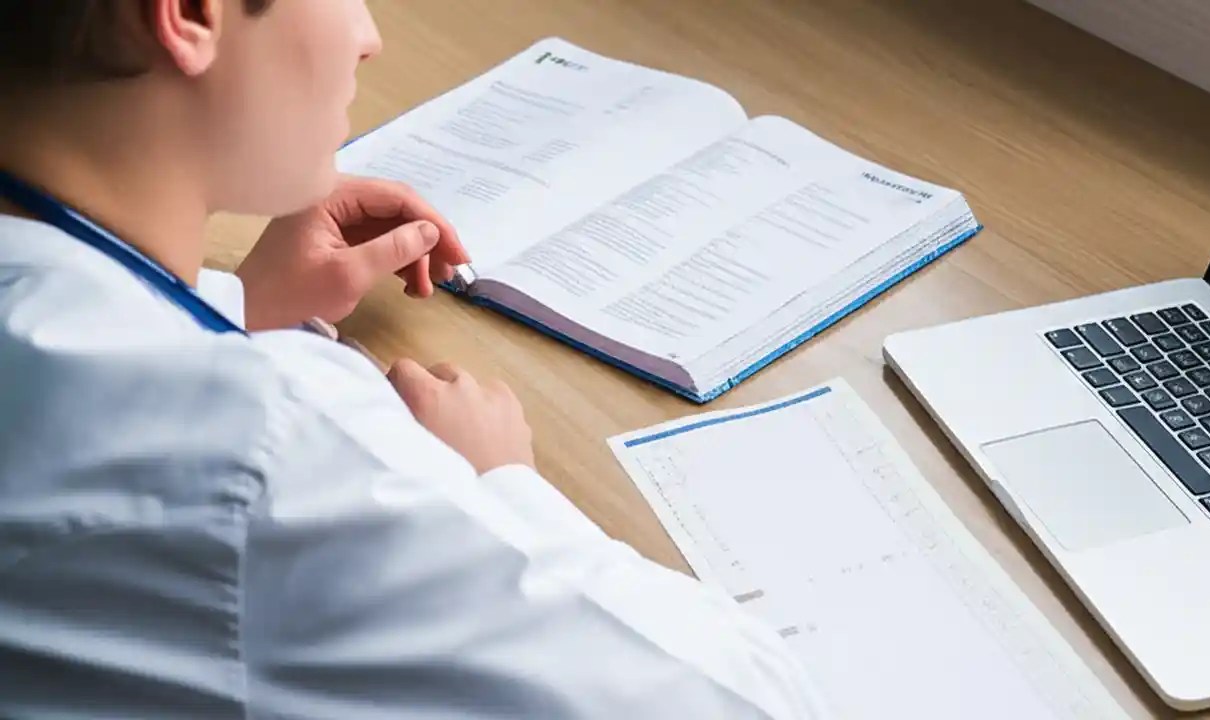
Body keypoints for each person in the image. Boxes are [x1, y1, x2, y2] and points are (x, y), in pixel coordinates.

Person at [0, 1, 828, 717]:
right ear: (187, 14)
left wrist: (244, 310)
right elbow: (748, 701)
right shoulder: (277, 448)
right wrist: (502, 486)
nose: (369, 36)